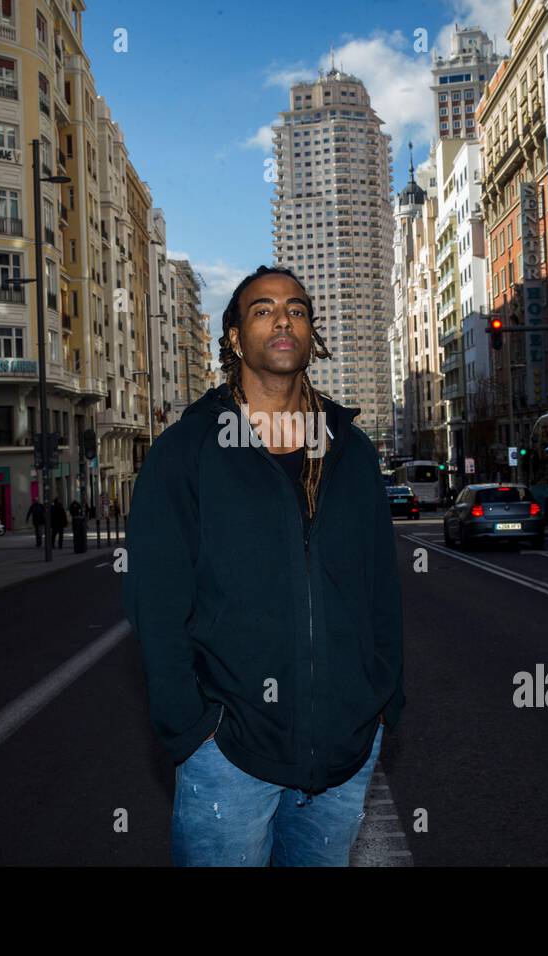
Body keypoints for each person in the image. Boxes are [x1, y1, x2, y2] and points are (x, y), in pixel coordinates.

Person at [123, 265, 405, 867]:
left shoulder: (350, 451)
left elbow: (380, 585)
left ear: (311, 333)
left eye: (297, 309)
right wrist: (191, 729)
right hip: (227, 753)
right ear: (234, 338)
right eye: (263, 309)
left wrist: (382, 699)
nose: (283, 318)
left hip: (343, 744)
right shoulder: (188, 450)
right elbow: (157, 601)